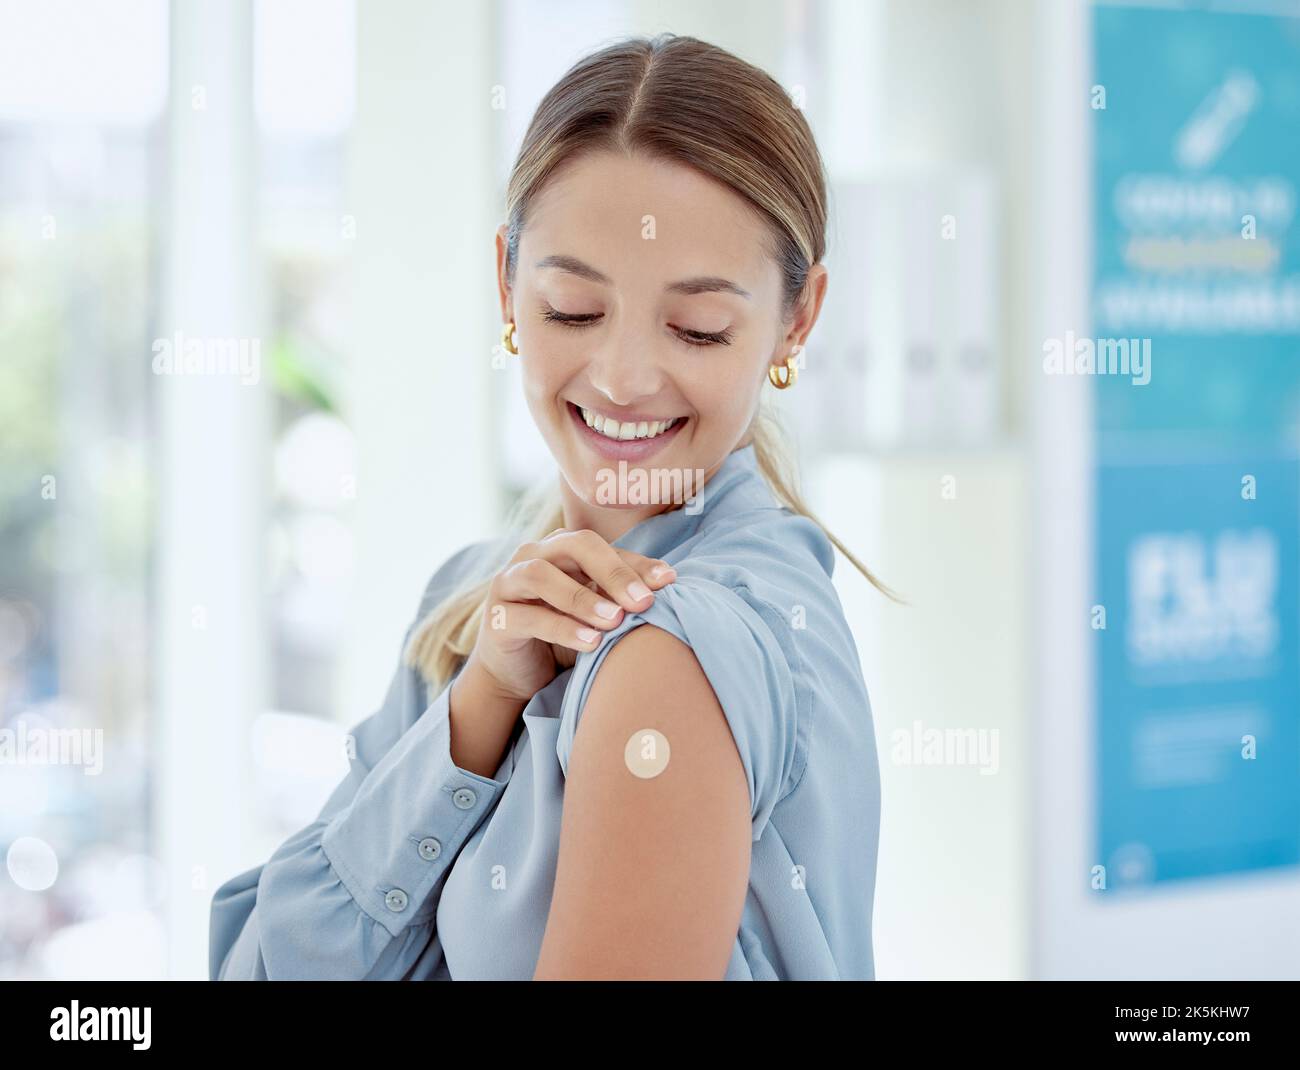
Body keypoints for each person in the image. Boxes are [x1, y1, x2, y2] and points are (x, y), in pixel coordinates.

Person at [210, 32, 885, 981]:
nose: (624, 377)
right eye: (573, 308)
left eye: (697, 327)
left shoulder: (675, 652)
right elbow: (254, 965)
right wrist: (477, 709)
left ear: (798, 318)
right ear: (506, 285)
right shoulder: (470, 609)